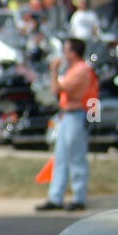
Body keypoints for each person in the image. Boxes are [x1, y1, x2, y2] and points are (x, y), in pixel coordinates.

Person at [37, 37, 96, 213]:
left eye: (66, 49)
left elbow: (56, 90)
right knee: (61, 157)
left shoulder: (80, 71)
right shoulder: (73, 70)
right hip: (67, 116)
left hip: (76, 116)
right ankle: (55, 197)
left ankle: (79, 197)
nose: (63, 53)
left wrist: (53, 71)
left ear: (73, 52)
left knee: (76, 158)